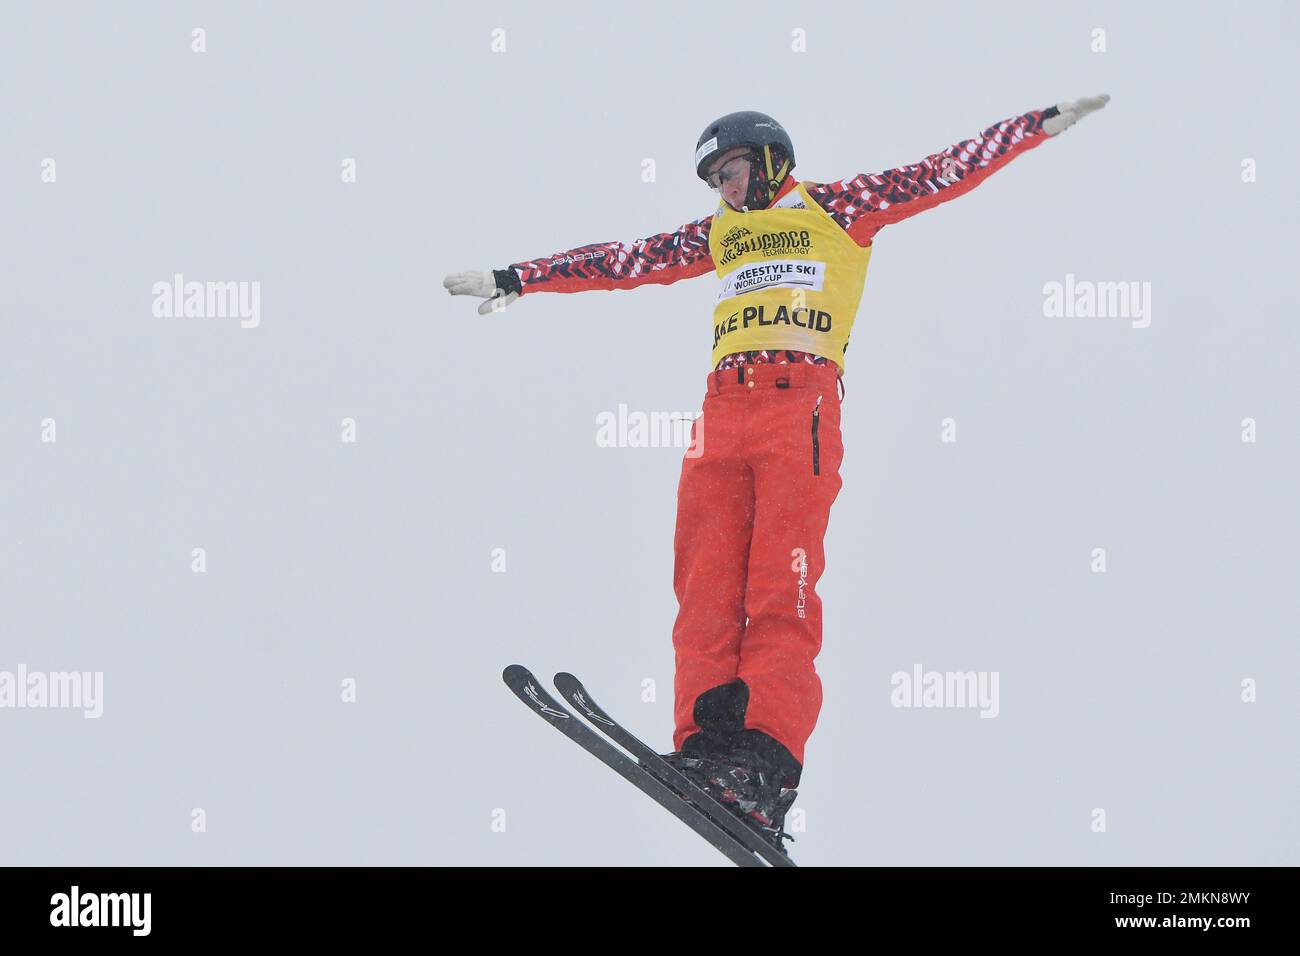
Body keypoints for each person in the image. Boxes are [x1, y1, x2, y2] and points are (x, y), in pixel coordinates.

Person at [444, 95, 1109, 855]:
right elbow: (624, 261)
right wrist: (518, 277)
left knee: (779, 590)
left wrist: (1036, 125)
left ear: (768, 160)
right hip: (723, 412)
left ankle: (761, 767)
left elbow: (944, 172)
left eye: (730, 171)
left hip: (801, 410)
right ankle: (705, 750)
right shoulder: (720, 234)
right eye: (715, 180)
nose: (725, 190)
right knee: (703, 586)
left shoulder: (838, 207)